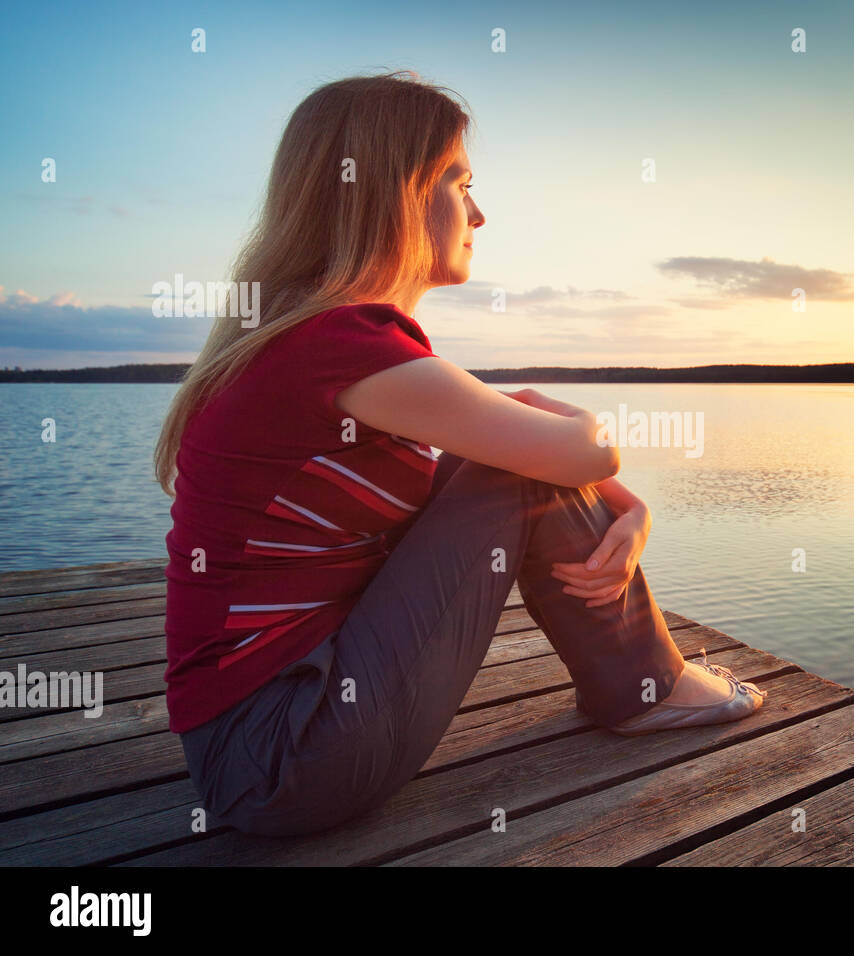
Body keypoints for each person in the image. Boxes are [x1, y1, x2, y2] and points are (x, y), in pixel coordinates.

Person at [152, 72, 766, 838]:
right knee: (516, 473)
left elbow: (496, 478)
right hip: (281, 758)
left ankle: (644, 684)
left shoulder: (297, 336)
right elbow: (579, 455)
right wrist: (572, 420)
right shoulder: (342, 345)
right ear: (393, 193)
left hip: (252, 747)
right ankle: (650, 689)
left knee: (506, 468)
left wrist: (625, 504)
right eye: (458, 183)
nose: (478, 213)